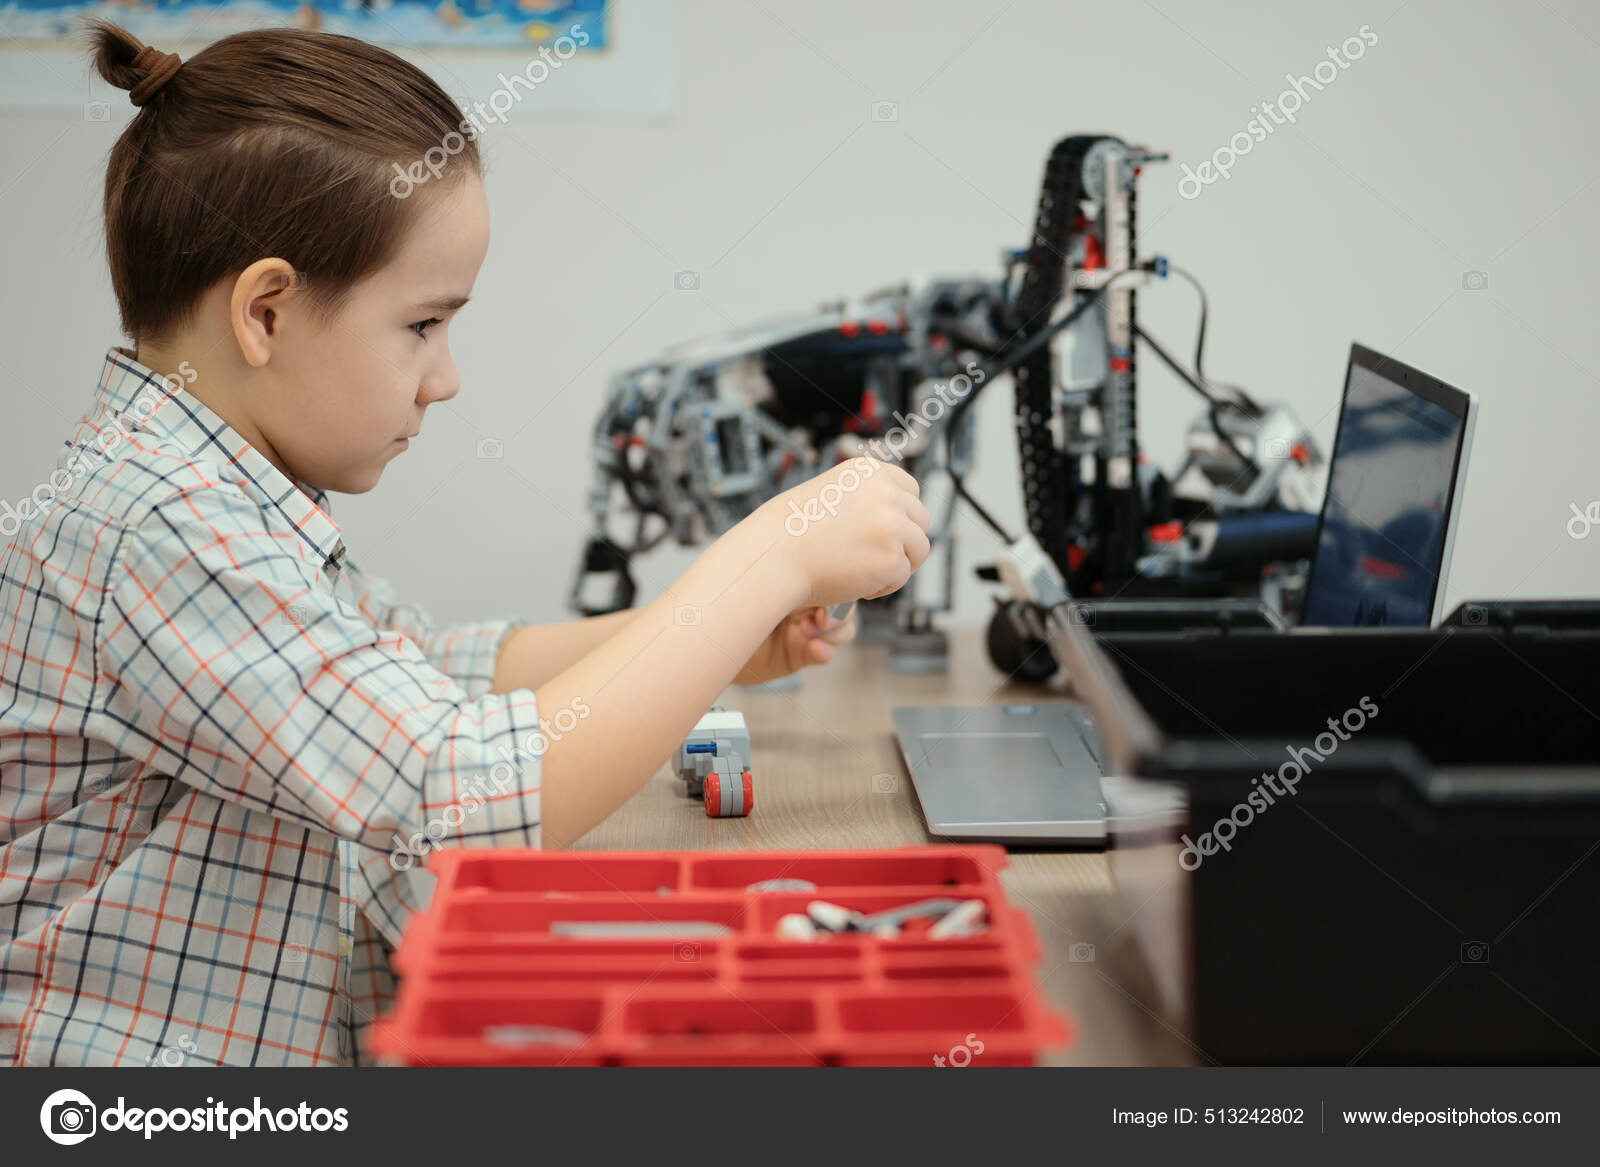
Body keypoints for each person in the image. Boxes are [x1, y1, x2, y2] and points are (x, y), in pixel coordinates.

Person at [0, 21, 930, 1066]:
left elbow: (436, 676)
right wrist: (770, 557)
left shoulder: (215, 491)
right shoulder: (155, 527)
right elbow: (450, 806)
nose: (445, 380)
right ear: (265, 312)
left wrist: (716, 633)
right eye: (422, 326)